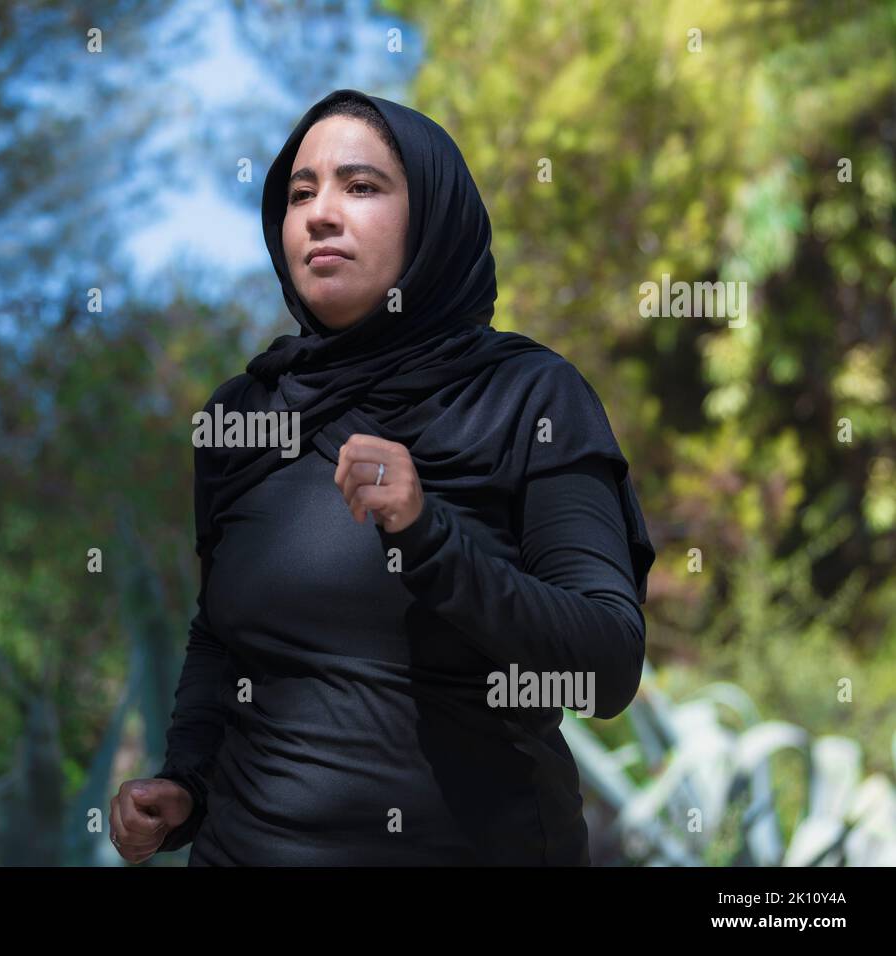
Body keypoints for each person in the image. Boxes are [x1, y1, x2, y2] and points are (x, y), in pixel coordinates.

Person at [109, 88, 656, 866]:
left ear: (432, 219)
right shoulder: (247, 412)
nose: (320, 213)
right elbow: (222, 637)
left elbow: (604, 670)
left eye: (360, 187)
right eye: (301, 194)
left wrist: (431, 537)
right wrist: (187, 782)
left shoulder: (529, 396)